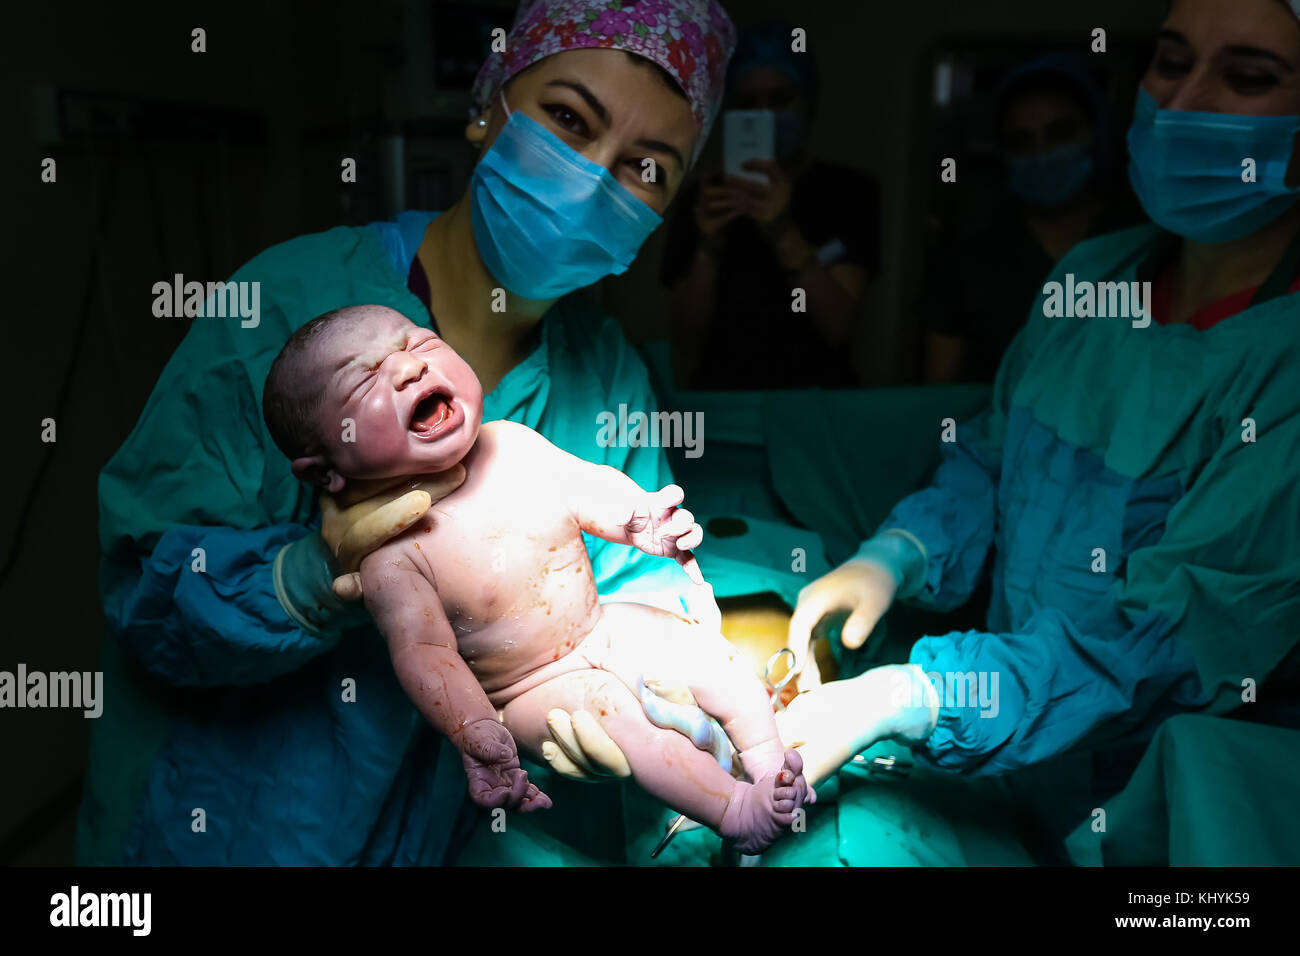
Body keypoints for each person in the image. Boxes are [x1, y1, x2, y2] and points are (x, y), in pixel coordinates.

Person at [78, 0, 738, 866]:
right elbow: (145, 589)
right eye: (569, 119)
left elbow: (625, 598)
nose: (593, 181)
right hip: (224, 828)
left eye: (647, 168)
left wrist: (664, 702)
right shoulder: (289, 304)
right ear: (485, 106)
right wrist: (305, 581)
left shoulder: (608, 383)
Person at [777, 0, 1300, 862]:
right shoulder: (1092, 276)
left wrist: (915, 698)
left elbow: (1160, 648)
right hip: (1003, 769)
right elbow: (992, 456)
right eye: (1170, 62)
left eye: (1246, 77)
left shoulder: (1279, 367)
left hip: (1148, 824)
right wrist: (899, 552)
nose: (1184, 99)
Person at [261, 304, 813, 852]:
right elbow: (426, 653)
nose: (409, 369)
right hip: (525, 687)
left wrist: (643, 522)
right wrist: (474, 730)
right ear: (325, 471)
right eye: (363, 380)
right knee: (614, 712)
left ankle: (771, 769)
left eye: (419, 342)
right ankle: (735, 811)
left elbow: (588, 487)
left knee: (701, 650)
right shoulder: (389, 556)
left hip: (601, 625)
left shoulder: (510, 443)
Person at [661, 21, 880, 390]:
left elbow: (838, 327)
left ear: (809, 102)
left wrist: (783, 234)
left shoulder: (849, 193)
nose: (764, 115)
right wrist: (707, 249)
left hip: (820, 403)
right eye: (747, 103)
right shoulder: (704, 199)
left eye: (781, 99)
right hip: (722, 400)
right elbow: (685, 343)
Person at [922, 55, 1137, 384]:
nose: (1042, 153)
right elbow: (938, 395)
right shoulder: (965, 262)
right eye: (1022, 142)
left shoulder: (1140, 248)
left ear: (1095, 134)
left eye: (1060, 133)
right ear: (1005, 155)